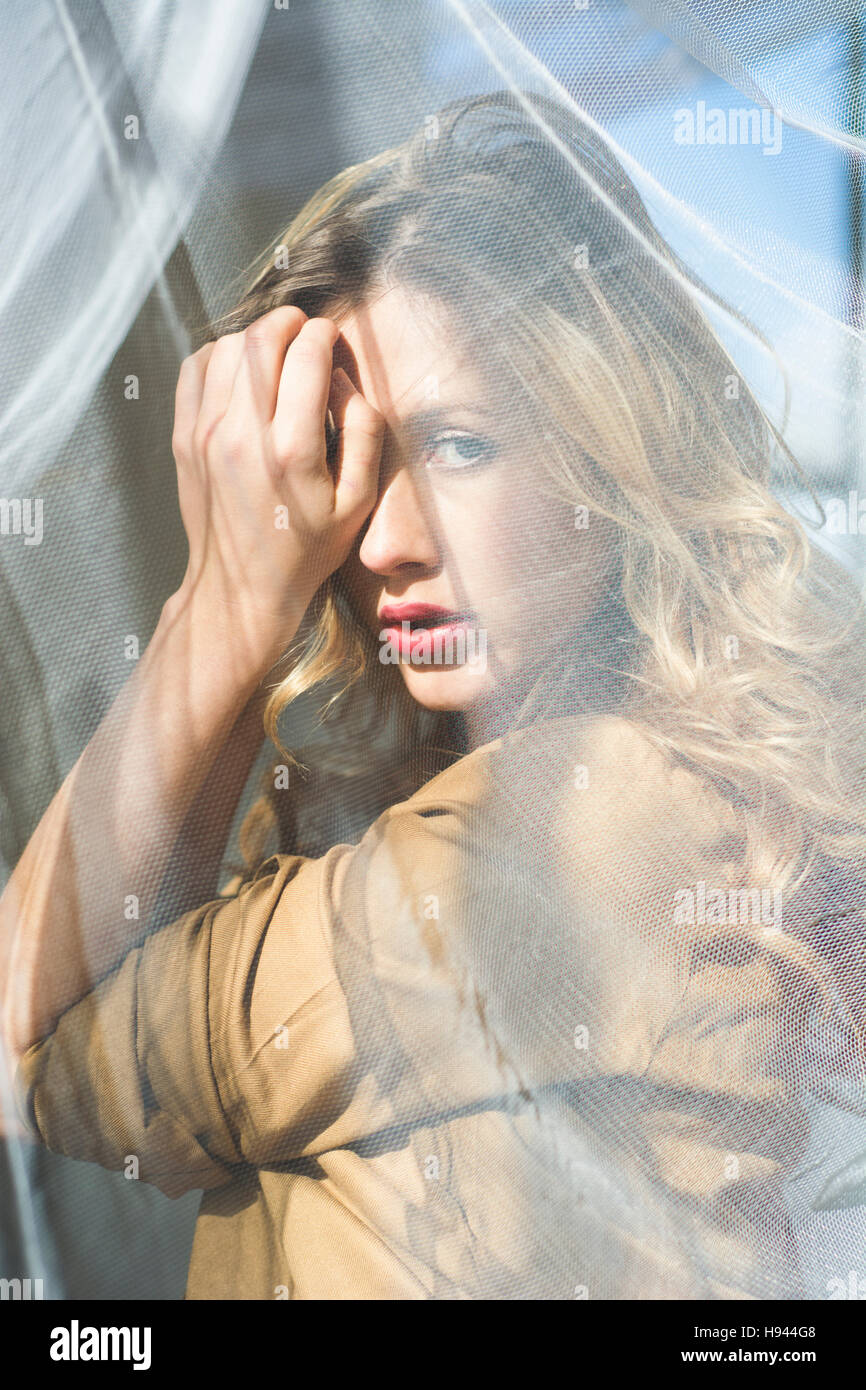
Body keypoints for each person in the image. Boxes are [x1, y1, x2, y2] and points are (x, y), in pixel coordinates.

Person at [2, 92, 864, 1299]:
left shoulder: (607, 814)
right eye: (345, 461)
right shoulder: (429, 790)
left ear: (609, 450)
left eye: (459, 445)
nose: (386, 540)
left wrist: (227, 602)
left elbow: (43, 1050)